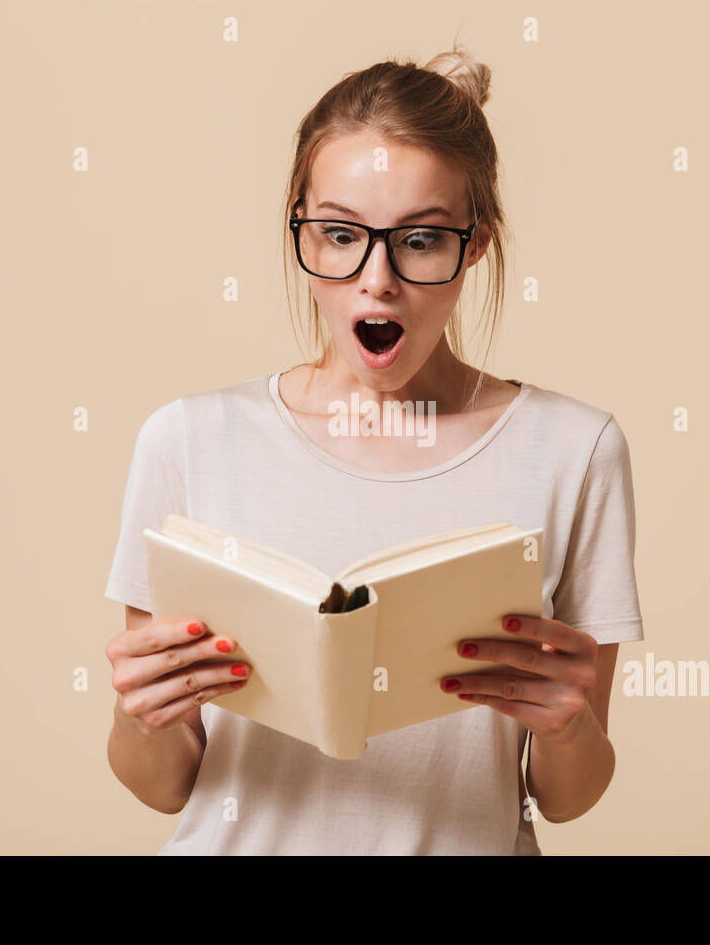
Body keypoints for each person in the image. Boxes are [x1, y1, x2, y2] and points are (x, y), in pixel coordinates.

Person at [102, 43, 644, 855]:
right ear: (303, 229)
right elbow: (161, 784)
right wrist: (141, 712)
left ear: (477, 244)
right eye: (341, 234)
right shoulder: (188, 441)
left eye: (420, 240)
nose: (377, 280)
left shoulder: (574, 451)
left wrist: (567, 727)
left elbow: (565, 800)